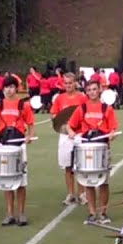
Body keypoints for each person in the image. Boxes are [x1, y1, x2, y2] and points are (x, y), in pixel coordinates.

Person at [66, 75, 118, 224]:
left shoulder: (106, 108)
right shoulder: (82, 108)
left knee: (103, 182)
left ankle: (103, 212)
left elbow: (113, 128)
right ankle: (92, 212)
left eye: (95, 89)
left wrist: (112, 135)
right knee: (89, 181)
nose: (92, 92)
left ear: (100, 90)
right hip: (86, 149)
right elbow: (70, 125)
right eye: (89, 90)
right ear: (86, 92)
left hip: (102, 149)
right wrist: (71, 133)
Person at [0, 78, 36, 226]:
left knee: (21, 181)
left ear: (16, 88)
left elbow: (31, 124)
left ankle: (21, 213)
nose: (9, 90)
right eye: (6, 87)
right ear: (3, 89)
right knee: (7, 180)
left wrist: (30, 136)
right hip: (4, 146)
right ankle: (9, 213)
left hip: (19, 146)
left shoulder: (23, 105)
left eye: (12, 87)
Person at [51, 72, 88, 205]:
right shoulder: (59, 98)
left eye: (70, 83)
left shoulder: (82, 98)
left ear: (75, 83)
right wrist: (60, 121)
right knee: (68, 166)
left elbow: (87, 113)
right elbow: (54, 114)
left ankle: (82, 193)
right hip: (65, 135)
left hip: (79, 134)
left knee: (81, 165)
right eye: (66, 83)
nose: (68, 85)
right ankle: (70, 194)